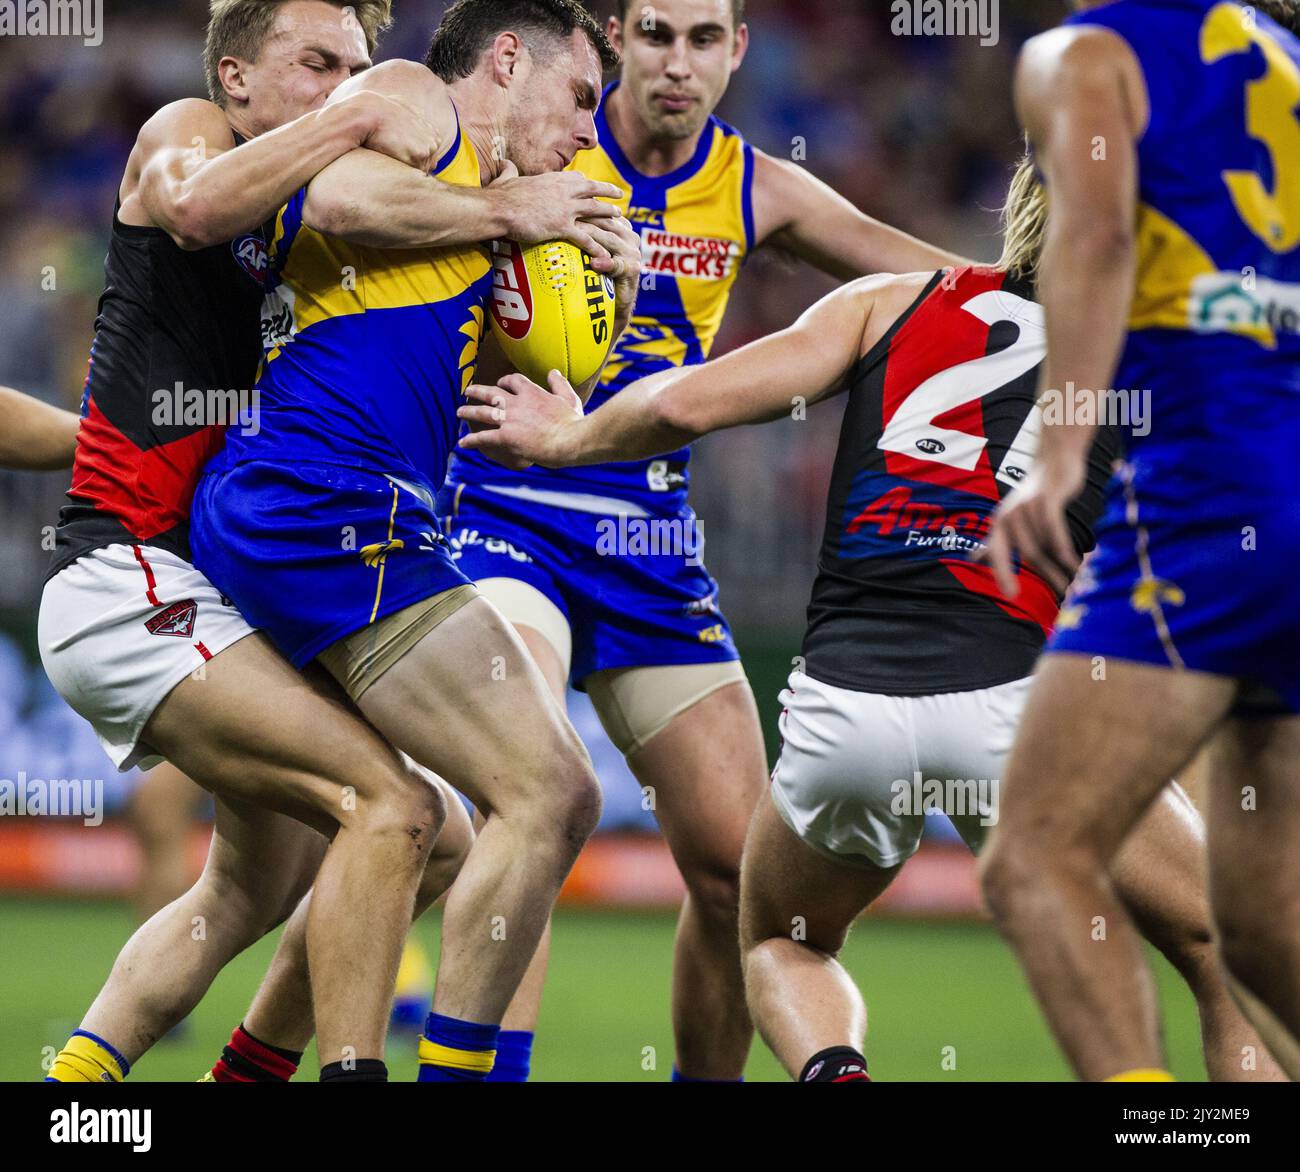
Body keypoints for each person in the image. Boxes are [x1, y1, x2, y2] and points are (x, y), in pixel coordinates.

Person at [454, 151, 1282, 1085]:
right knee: (1226, 959)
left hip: (845, 711)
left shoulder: (892, 301)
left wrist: (565, 437)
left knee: (778, 938)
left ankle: (836, 1073)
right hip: (1021, 703)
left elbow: (687, 399)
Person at [41, 0, 623, 1084]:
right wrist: (507, 206)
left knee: (339, 861)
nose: (349, 86)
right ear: (234, 76)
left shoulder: (314, 226)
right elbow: (210, 199)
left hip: (213, 561)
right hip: (145, 567)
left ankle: (85, 1099)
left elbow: (421, 315)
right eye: (320, 64)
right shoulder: (199, 132)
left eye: (356, 66)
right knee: (425, 802)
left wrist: (587, 316)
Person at [441, 0, 964, 1082]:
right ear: (615, 41)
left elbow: (944, 290)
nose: (678, 64)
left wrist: (1102, 302)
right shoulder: (542, 141)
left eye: (703, 39)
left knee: (741, 875)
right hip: (502, 509)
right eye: (655, 36)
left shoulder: (756, 185)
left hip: (650, 546)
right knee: (527, 791)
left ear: (736, 50)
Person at [975, 0, 1300, 1082]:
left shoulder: (1084, 54)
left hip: (1212, 477)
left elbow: (1099, 229)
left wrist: (1063, 448)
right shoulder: (1283, 61)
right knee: (1256, 921)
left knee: (1035, 853)